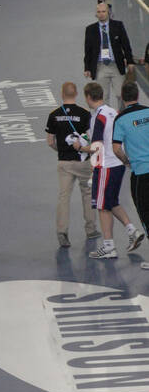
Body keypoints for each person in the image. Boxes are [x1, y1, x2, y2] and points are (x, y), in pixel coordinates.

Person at [75, 82, 143, 259]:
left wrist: (79, 147)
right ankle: (132, 230)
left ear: (88, 97)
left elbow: (96, 146)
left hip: (106, 165)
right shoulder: (113, 112)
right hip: (118, 163)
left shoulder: (98, 117)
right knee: (111, 201)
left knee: (102, 205)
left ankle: (108, 246)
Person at [44, 81, 98, 249]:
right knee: (87, 194)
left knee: (64, 197)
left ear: (62, 94)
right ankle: (90, 229)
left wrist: (61, 151)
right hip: (83, 162)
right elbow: (91, 138)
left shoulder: (54, 115)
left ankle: (62, 232)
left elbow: (50, 141)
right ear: (76, 94)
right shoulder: (84, 114)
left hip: (64, 162)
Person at [112, 79, 149, 270]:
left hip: (141, 172)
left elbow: (116, 148)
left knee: (145, 211)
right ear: (137, 95)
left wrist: (126, 161)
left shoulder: (120, 119)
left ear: (123, 98)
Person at [82, 1, 136, 111]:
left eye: (103, 11)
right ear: (96, 14)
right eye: (99, 12)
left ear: (108, 12)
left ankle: (121, 114)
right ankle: (107, 117)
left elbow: (126, 44)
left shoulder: (118, 25)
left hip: (116, 65)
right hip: (100, 66)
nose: (101, 14)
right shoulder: (90, 29)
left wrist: (130, 61)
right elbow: (88, 50)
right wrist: (87, 68)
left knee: (121, 94)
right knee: (103, 96)